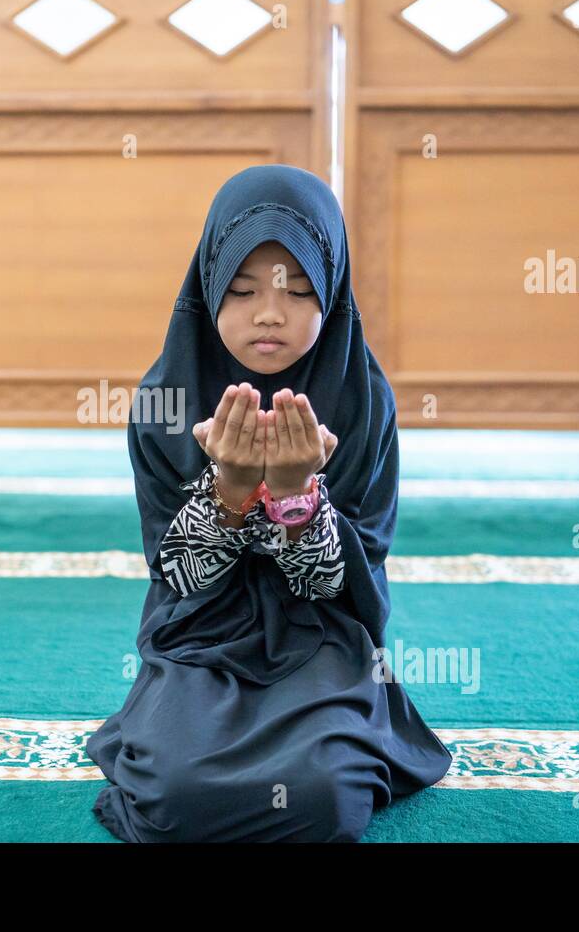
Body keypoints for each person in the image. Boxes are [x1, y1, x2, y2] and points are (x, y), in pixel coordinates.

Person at [85, 163, 452, 842]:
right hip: (200, 640)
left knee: (321, 799)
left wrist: (296, 499)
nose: (269, 314)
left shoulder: (365, 404)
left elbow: (345, 587)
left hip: (323, 641)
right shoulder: (165, 404)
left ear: (334, 292)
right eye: (243, 289)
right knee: (179, 794)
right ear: (207, 289)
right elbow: (179, 582)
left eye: (298, 290)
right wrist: (224, 490)